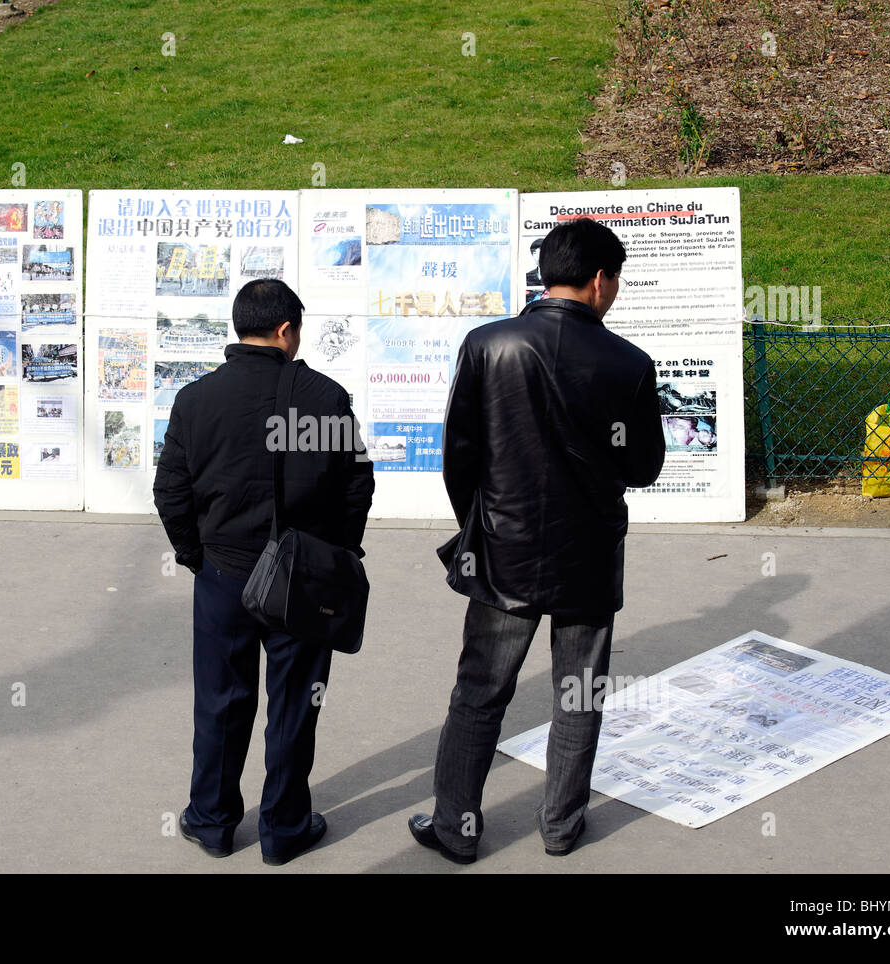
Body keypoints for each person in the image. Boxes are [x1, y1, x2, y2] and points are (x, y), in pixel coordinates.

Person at [410, 217, 665, 864]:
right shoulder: (629, 364)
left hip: (503, 550)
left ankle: (455, 827)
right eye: (618, 281)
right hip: (589, 552)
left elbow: (459, 457)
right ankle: (560, 827)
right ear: (601, 280)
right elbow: (642, 468)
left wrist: (481, 526)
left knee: (479, 692)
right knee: (578, 695)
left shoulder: (487, 344)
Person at [154, 278, 374, 866]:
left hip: (223, 576)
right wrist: (339, 555)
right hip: (302, 581)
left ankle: (212, 822)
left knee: (221, 702)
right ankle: (283, 829)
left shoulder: (195, 400)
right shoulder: (326, 398)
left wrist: (195, 555)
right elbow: (357, 485)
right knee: (297, 702)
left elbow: (170, 490)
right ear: (285, 331)